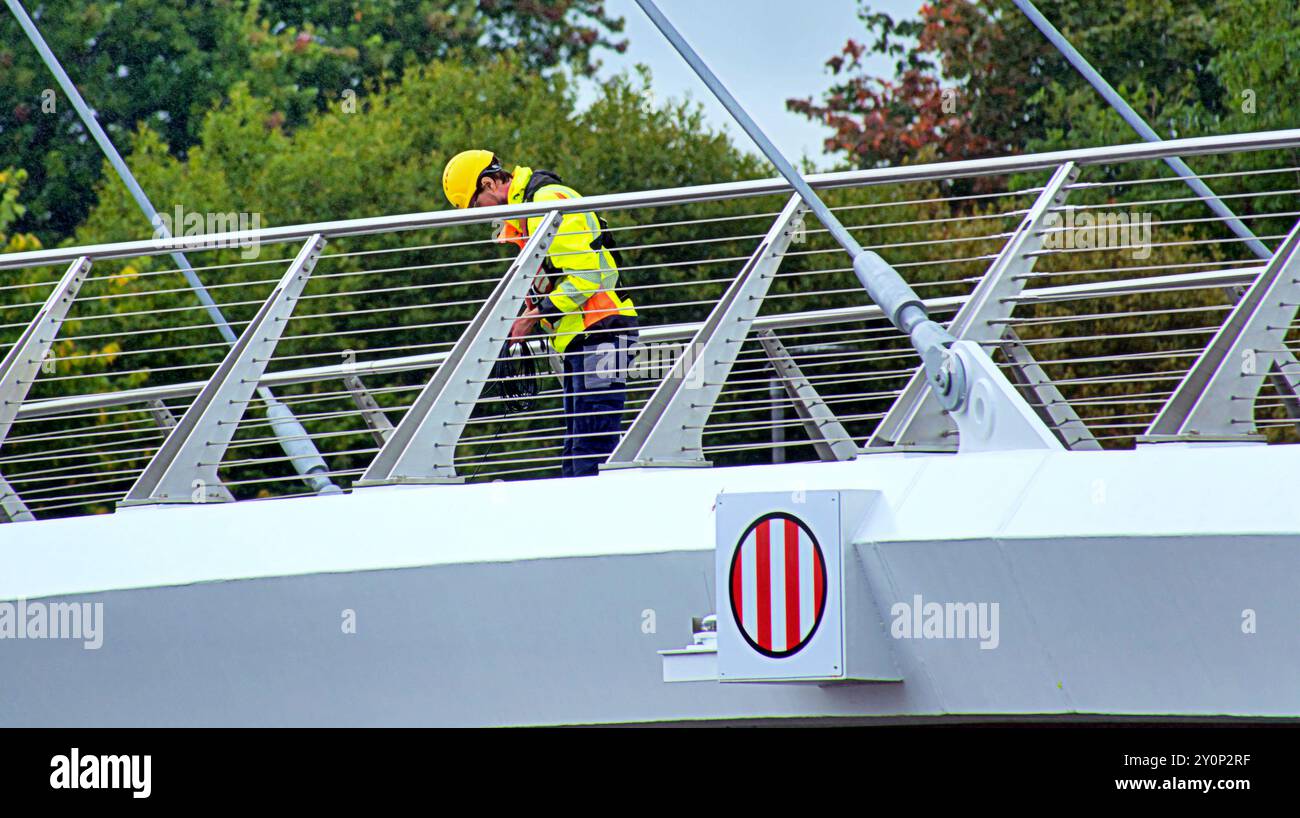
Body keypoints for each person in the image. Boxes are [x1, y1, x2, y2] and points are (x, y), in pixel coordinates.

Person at [442, 150, 638, 477]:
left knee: (591, 455)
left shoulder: (546, 202)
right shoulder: (532, 210)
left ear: (489, 184)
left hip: (603, 334)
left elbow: (585, 277)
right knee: (578, 455)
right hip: (587, 336)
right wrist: (530, 311)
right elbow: (562, 276)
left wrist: (532, 318)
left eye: (476, 205)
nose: (481, 216)